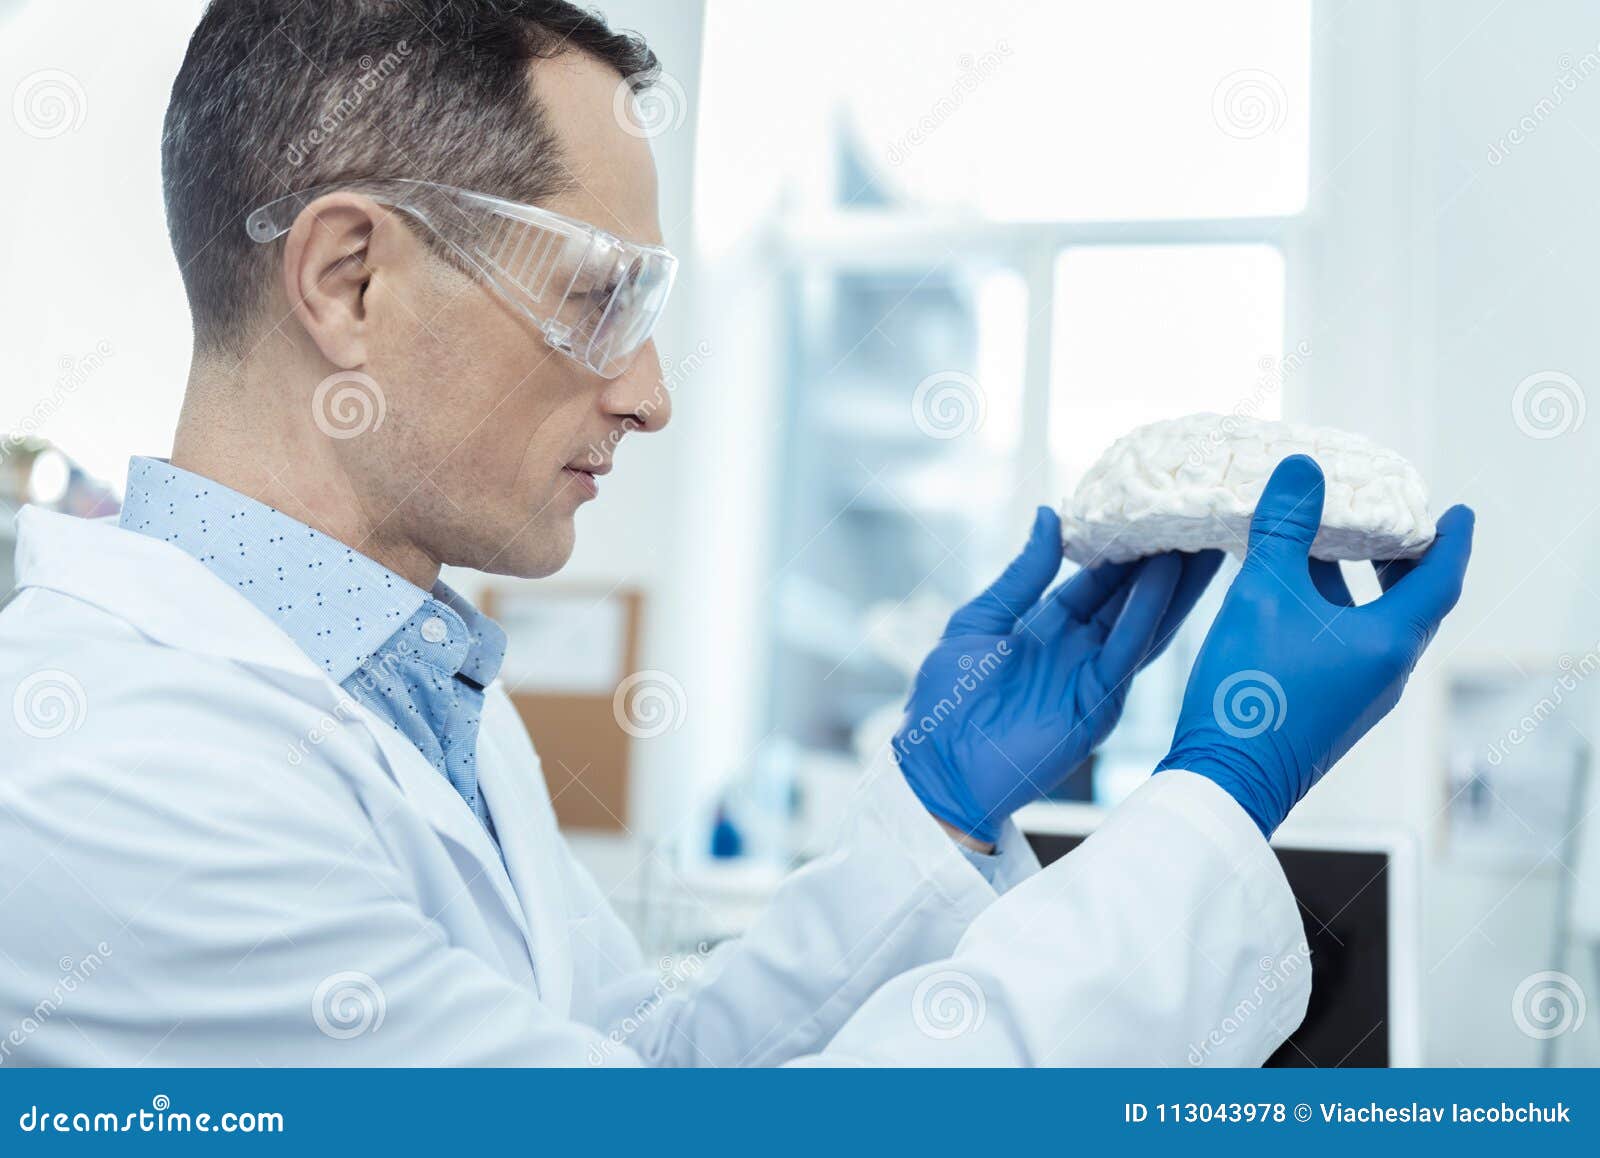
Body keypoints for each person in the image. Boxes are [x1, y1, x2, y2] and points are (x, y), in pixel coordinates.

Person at [0, 0, 1474, 1065]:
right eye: (599, 296)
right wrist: (1211, 804)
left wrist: (941, 810)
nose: (648, 395)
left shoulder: (410, 691)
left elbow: (636, 1065)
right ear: (349, 278)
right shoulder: (122, 765)